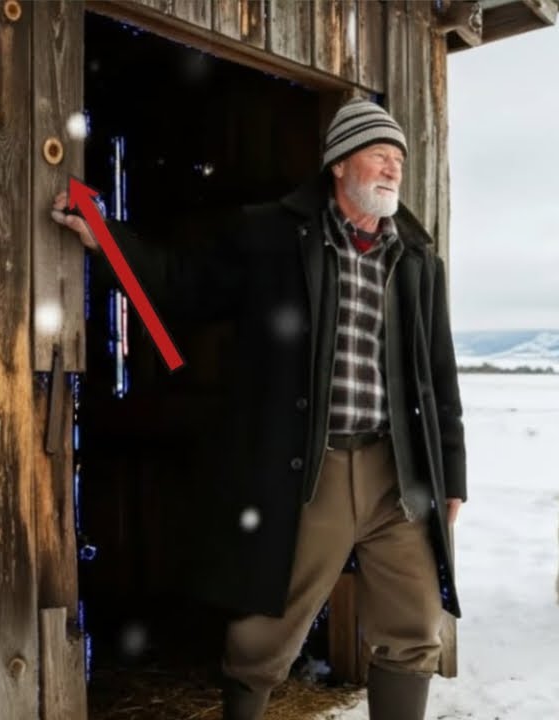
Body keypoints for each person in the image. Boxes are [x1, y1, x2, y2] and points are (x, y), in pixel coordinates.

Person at [50, 97, 467, 720]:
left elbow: (439, 375)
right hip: (310, 466)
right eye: (379, 155)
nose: (393, 170)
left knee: (415, 627)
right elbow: (181, 283)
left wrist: (451, 477)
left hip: (395, 470)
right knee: (265, 632)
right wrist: (106, 239)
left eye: (399, 160)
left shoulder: (416, 259)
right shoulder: (272, 236)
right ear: (338, 163)